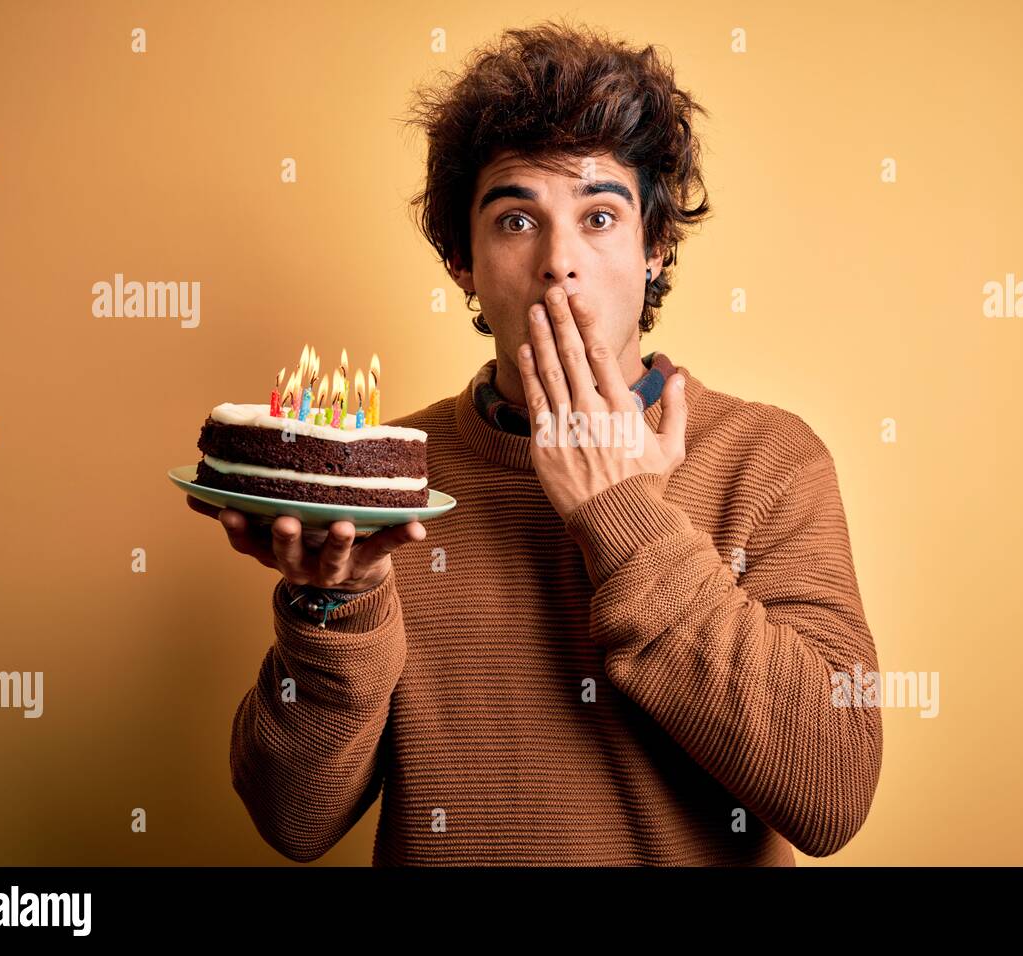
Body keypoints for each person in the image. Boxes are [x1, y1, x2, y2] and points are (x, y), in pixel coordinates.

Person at [187, 19, 882, 866]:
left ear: (655, 248)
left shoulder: (769, 459)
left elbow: (836, 790)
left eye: (598, 216)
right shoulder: (383, 477)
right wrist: (336, 602)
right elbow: (293, 823)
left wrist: (623, 516)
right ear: (462, 264)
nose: (560, 261)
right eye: (517, 221)